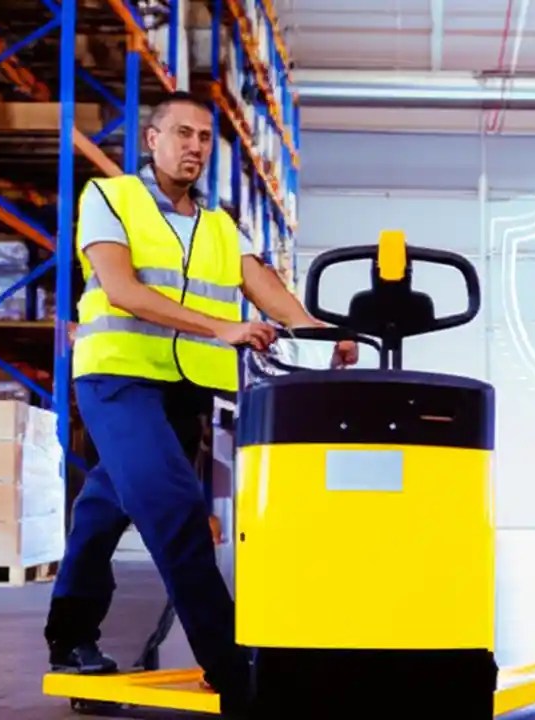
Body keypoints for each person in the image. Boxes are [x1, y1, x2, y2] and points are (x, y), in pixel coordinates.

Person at [42, 90, 357, 714]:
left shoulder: (218, 224)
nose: (194, 146)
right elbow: (123, 289)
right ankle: (231, 665)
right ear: (152, 140)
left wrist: (320, 334)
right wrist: (222, 329)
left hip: (185, 388)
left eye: (205, 138)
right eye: (182, 133)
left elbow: (264, 287)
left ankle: (70, 636)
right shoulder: (111, 198)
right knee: (176, 508)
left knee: (105, 508)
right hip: (118, 380)